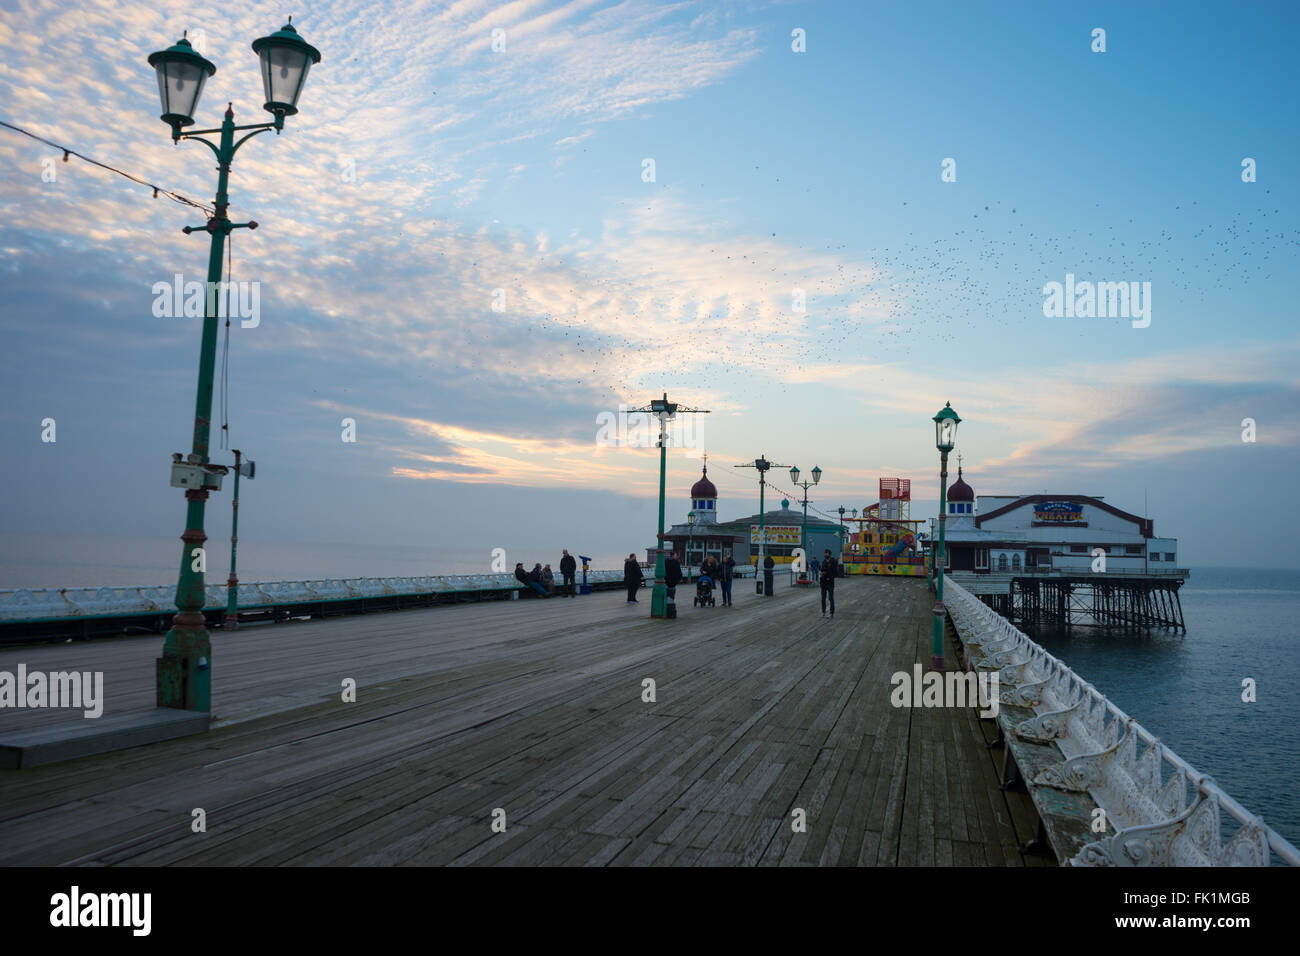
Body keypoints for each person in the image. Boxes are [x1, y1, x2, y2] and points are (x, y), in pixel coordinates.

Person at [820, 548, 838, 618]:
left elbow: (835, 572)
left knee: (830, 598)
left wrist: (827, 573)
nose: (825, 554)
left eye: (826, 553)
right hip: (823, 582)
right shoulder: (823, 561)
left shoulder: (833, 561)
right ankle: (823, 611)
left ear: (829, 554)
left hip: (830, 582)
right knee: (823, 598)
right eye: (825, 553)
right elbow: (822, 570)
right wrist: (822, 573)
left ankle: (831, 613)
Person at [664, 550, 683, 617]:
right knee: (672, 592)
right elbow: (678, 571)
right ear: (673, 555)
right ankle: (670, 604)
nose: (676, 556)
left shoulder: (665, 561)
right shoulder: (676, 562)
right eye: (676, 555)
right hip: (673, 580)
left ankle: (666, 604)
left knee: (666, 592)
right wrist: (680, 578)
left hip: (666, 580)